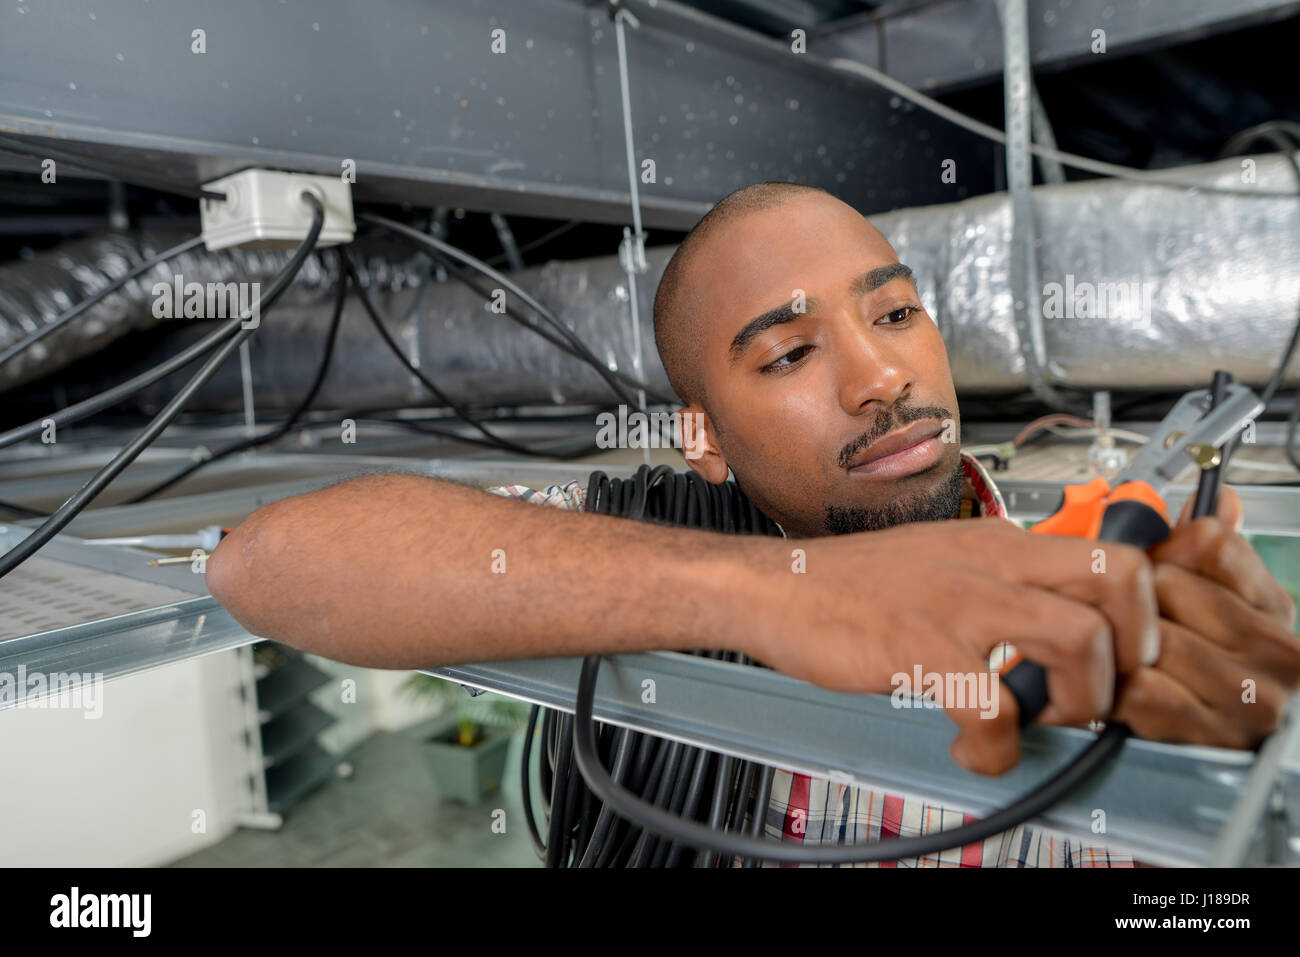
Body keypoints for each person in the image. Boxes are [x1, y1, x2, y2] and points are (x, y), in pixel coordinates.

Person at [204, 182, 1298, 866]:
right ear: (705, 441)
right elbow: (268, 561)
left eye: (895, 313)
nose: (879, 376)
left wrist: (1241, 788)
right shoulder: (634, 553)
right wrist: (775, 591)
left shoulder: (1105, 583)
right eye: (787, 354)